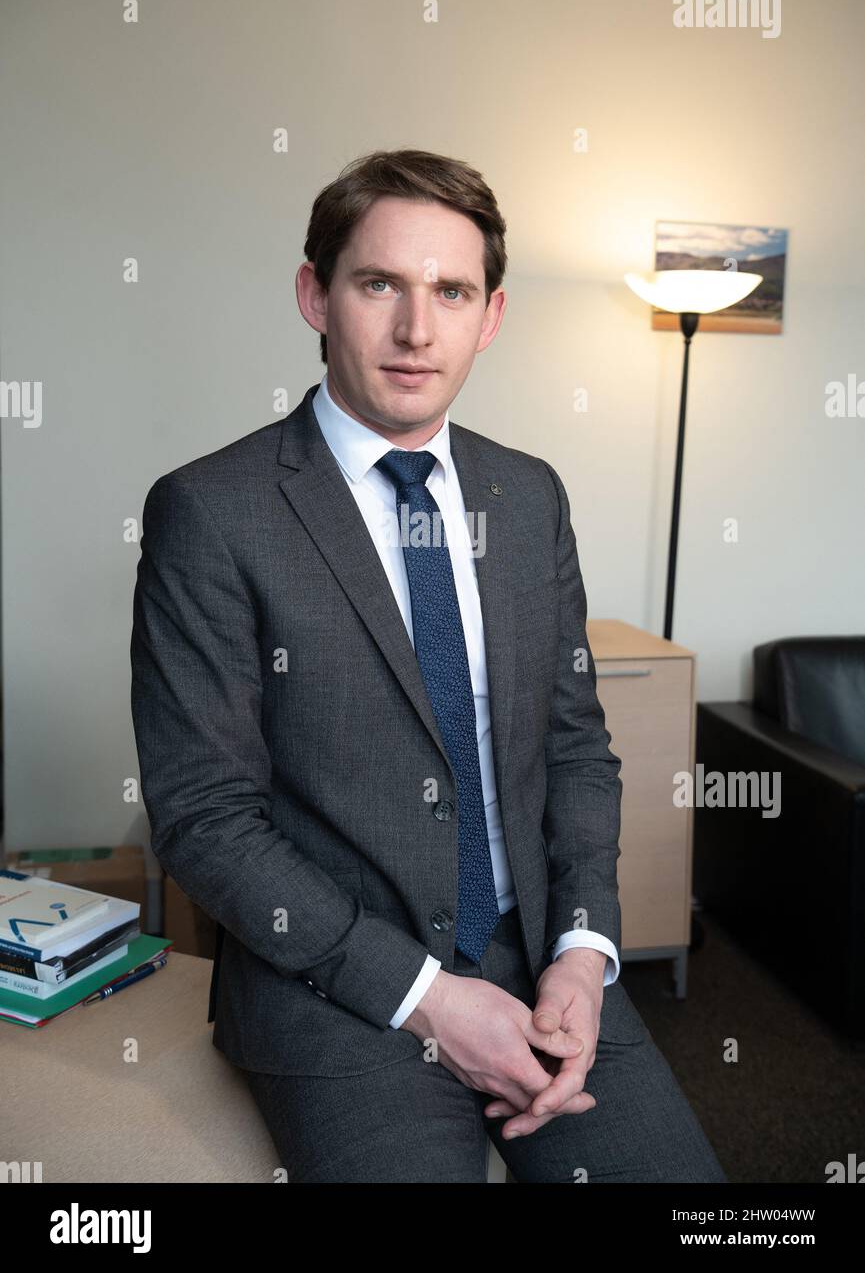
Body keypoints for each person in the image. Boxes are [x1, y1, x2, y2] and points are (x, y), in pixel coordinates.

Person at [130, 147, 726, 1184]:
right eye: (380, 285)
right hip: (337, 981)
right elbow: (204, 817)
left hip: (537, 954)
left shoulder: (528, 497)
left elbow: (577, 752)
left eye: (451, 291)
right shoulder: (212, 512)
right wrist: (428, 998)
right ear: (316, 294)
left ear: (489, 316)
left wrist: (584, 952)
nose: (417, 330)